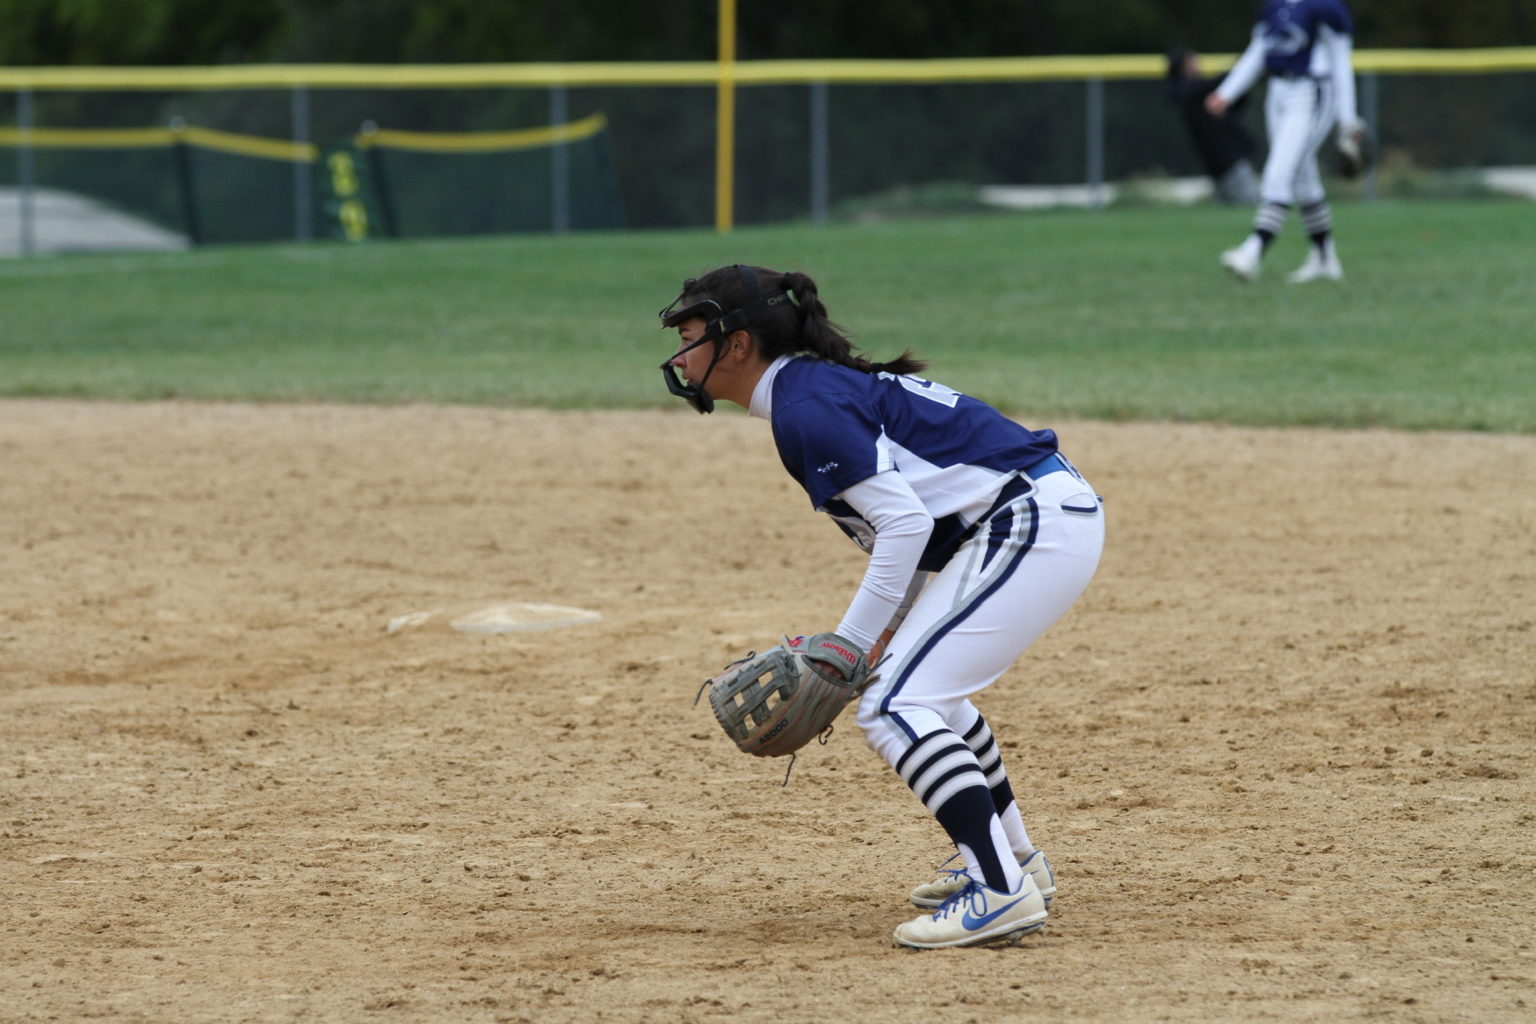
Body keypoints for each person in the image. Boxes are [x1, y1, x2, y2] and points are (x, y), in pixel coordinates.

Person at [657, 264, 1105, 949]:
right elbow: (924, 527)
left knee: (893, 704)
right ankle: (1014, 863)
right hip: (1029, 516)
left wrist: (849, 643)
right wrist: (879, 640)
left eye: (691, 336)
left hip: (1028, 521)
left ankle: (999, 893)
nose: (681, 355)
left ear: (738, 344)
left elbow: (905, 527)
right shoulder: (807, 394)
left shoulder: (805, 408)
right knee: (928, 693)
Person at [1205, 0, 1364, 283]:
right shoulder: (1272, 6)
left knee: (1279, 173)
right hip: (1277, 91)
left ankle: (1252, 252)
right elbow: (1258, 51)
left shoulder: (1326, 7)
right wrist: (1227, 92)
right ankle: (1325, 258)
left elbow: (1341, 63)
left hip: (1310, 92)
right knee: (1303, 177)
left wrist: (1348, 118)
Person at [1165, 48, 1260, 205]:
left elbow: (1236, 104)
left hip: (1230, 157)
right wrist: (1241, 70)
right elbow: (1213, 84)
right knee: (1249, 204)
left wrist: (1239, 77)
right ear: (1181, 66)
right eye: (1190, 61)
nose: (1196, 63)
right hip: (1223, 159)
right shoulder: (1186, 91)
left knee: (1232, 207)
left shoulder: (1200, 90)